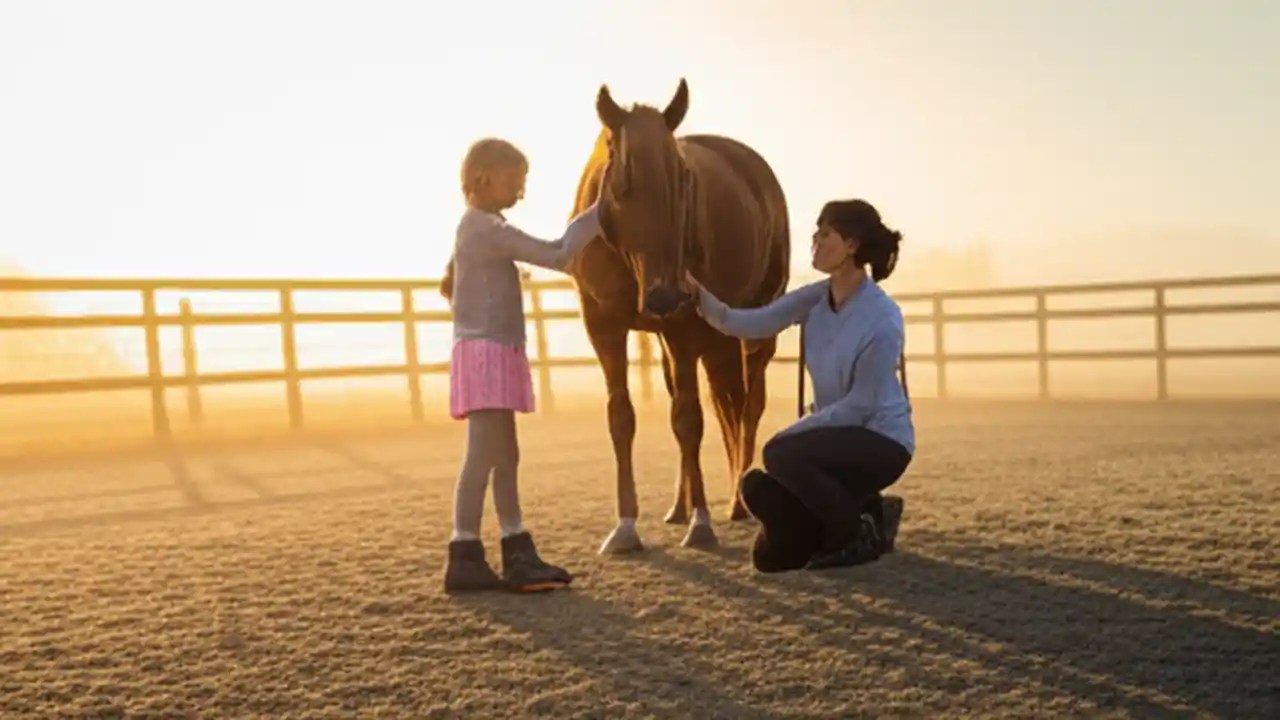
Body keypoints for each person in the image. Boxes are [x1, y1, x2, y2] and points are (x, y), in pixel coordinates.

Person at [684, 199, 914, 572]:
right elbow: (749, 323)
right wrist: (699, 296)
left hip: (881, 442)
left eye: (826, 235)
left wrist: (793, 433)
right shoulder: (815, 297)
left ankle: (856, 532)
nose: (815, 241)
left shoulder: (882, 318)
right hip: (832, 441)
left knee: (780, 454)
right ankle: (866, 511)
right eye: (816, 233)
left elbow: (860, 405)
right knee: (761, 516)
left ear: (852, 245)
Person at [439, 137, 603, 593]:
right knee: (482, 455)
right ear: (485, 177)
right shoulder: (483, 228)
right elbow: (556, 253)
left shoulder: (479, 228)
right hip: (486, 353)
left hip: (498, 350)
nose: (522, 191)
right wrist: (598, 213)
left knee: (505, 454)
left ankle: (516, 548)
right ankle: (464, 551)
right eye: (516, 180)